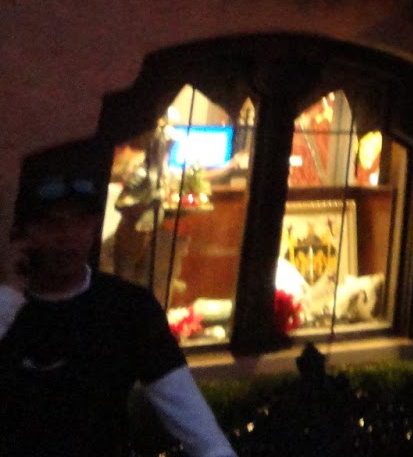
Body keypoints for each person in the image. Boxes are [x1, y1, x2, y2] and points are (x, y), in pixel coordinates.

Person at [0, 166, 236, 457]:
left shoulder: (127, 309)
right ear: (23, 233)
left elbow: (194, 421)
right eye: (52, 223)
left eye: (81, 222)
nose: (68, 236)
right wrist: (9, 294)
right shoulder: (8, 308)